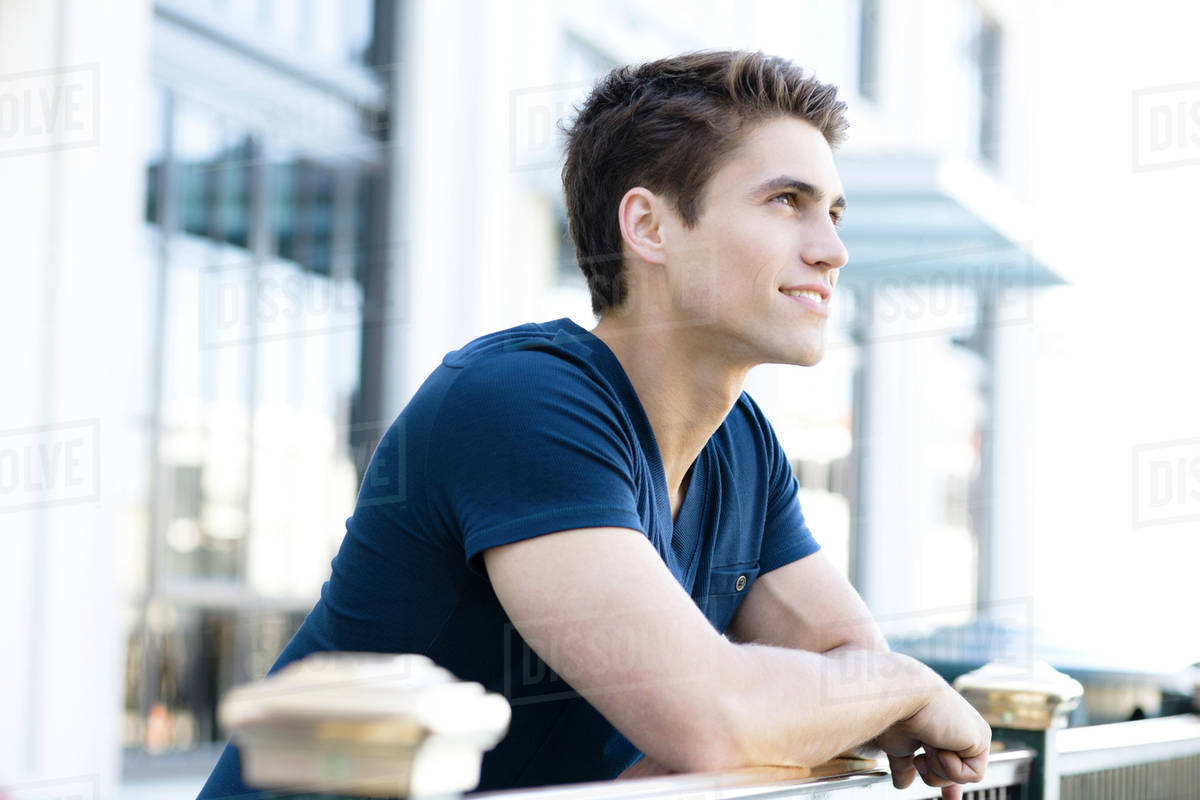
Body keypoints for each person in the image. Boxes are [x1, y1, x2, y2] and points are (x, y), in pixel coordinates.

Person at [197, 49, 990, 800]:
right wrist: (906, 685)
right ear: (648, 227)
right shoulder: (520, 400)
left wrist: (742, 727)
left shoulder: (742, 447)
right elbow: (729, 717)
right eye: (787, 201)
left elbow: (841, 670)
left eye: (835, 213)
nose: (832, 250)